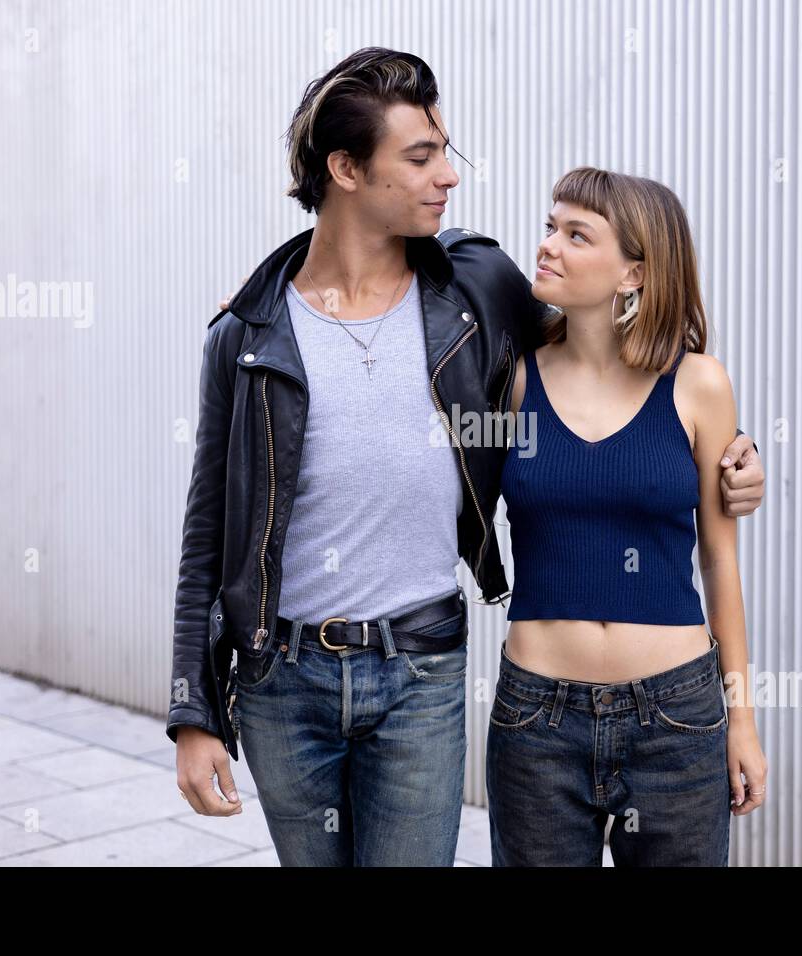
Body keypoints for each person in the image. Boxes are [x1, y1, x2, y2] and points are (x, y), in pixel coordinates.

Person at [168, 48, 767, 866]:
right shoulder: (250, 336)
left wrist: (737, 459)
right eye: (422, 156)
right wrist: (195, 710)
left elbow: (622, 363)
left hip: (435, 673)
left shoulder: (477, 291)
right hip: (308, 683)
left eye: (445, 150)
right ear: (346, 169)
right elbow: (208, 532)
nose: (449, 174)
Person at [487, 167, 767, 866]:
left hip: (676, 717)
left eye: (576, 234)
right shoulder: (513, 380)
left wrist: (743, 722)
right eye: (551, 225)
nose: (549, 245)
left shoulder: (700, 383)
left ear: (633, 273)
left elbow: (720, 558)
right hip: (535, 720)